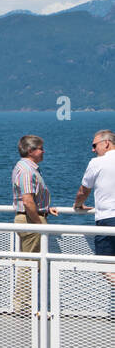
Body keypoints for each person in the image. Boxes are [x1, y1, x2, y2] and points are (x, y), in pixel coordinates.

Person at [12, 135, 58, 314]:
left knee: (31, 263)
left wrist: (46, 208)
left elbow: (33, 200)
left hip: (31, 217)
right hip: (30, 220)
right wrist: (39, 223)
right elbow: (28, 201)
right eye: (40, 148)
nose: (43, 151)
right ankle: (24, 306)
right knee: (29, 264)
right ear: (30, 151)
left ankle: (24, 305)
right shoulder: (27, 170)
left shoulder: (27, 168)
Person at [73, 129, 115, 312]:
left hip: (108, 219)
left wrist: (78, 204)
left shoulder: (97, 162)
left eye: (94, 145)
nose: (92, 150)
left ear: (106, 143)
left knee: (103, 264)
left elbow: (84, 190)